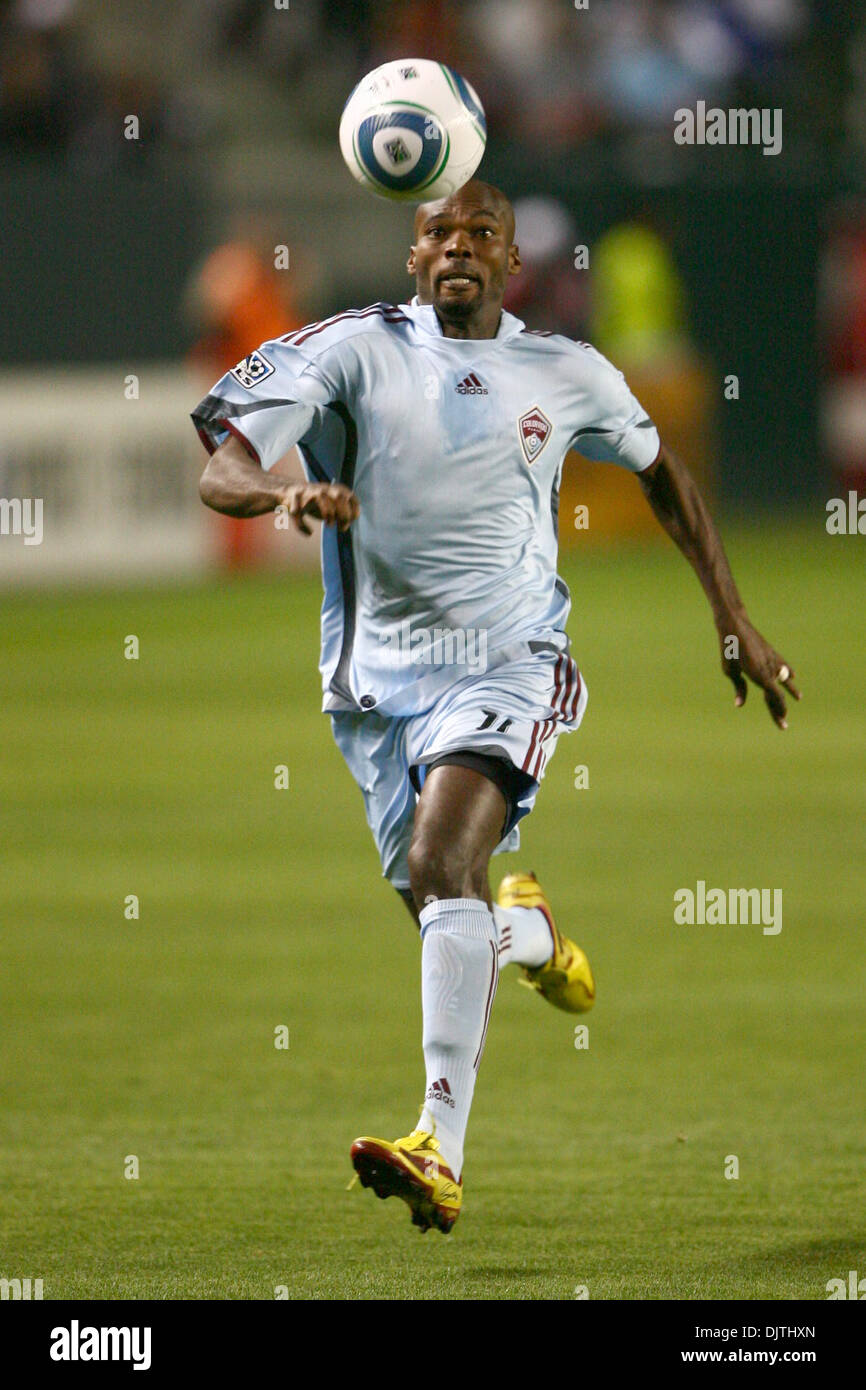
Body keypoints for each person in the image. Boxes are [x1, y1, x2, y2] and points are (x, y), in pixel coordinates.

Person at [191, 179, 799, 1235]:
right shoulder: (349, 351)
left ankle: (440, 1148)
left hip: (510, 662)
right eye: (437, 232)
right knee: (447, 911)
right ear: (411, 253)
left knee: (439, 866)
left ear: (512, 264)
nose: (458, 246)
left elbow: (664, 476)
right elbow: (223, 465)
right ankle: (530, 934)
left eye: (481, 233)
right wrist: (283, 493)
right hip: (374, 686)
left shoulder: (565, 370)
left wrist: (729, 615)